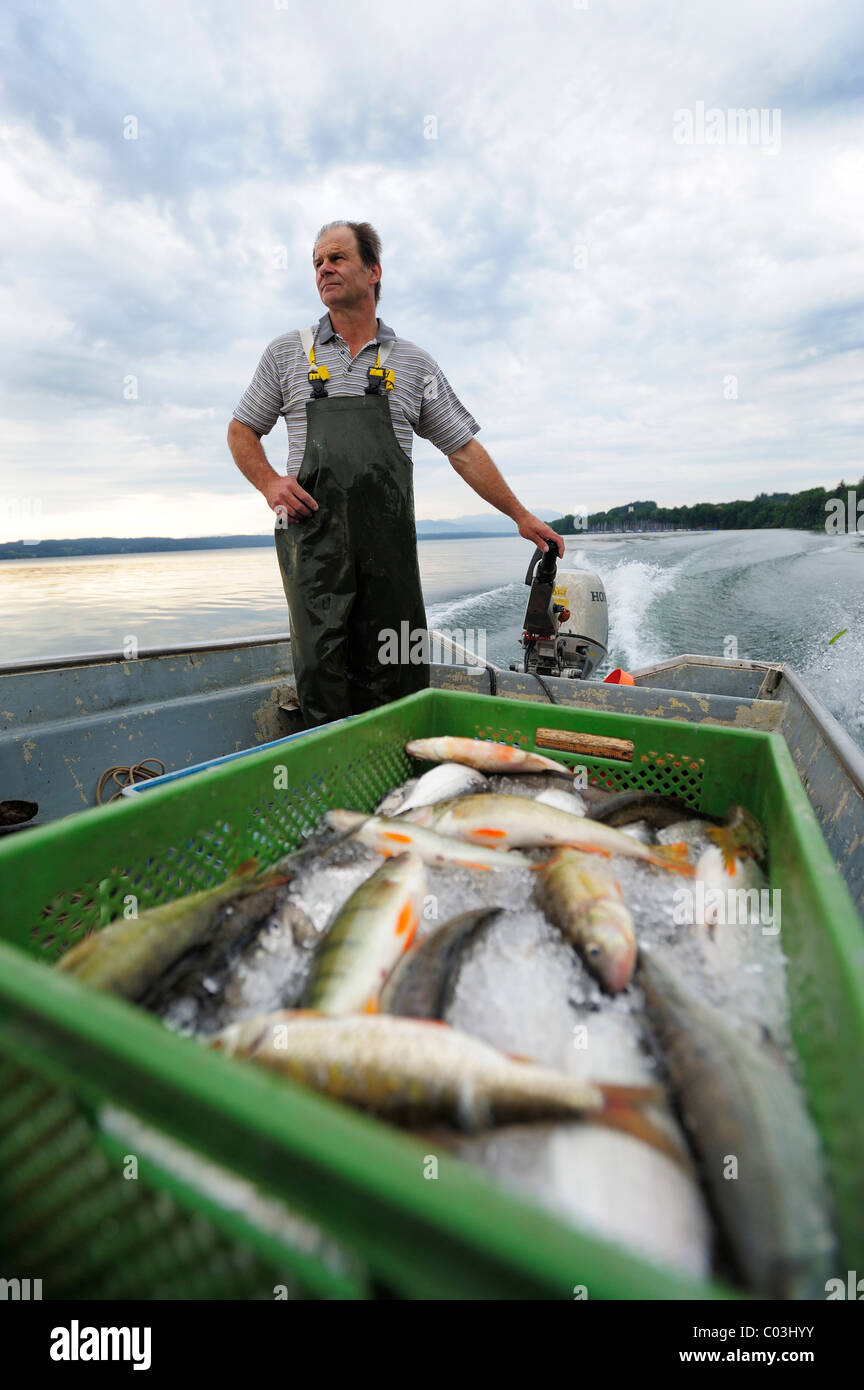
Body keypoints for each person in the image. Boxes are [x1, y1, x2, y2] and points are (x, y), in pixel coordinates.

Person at [227, 220, 563, 727]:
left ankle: (393, 780)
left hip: (388, 549)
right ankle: (330, 785)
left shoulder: (412, 364)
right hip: (314, 547)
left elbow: (463, 449)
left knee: (398, 662)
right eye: (318, 262)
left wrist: (520, 515)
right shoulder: (287, 354)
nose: (324, 269)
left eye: (337, 258)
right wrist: (270, 482)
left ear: (374, 271)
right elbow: (240, 431)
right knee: (322, 668)